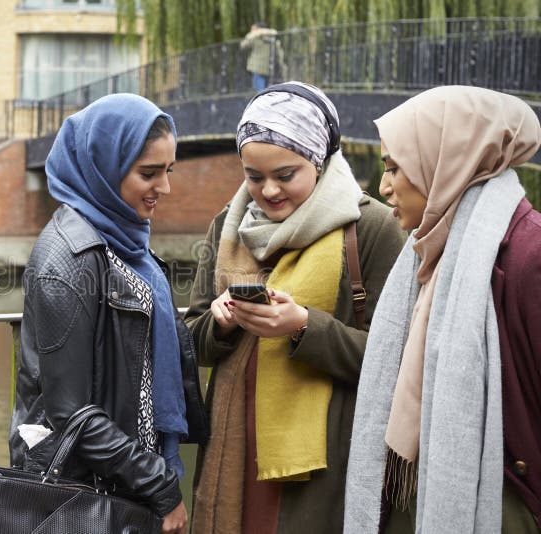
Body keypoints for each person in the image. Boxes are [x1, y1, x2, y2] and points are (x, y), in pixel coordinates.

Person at [185, 81, 405, 533]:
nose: (268, 191)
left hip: (323, 460)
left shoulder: (372, 228)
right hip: (235, 447)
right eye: (253, 176)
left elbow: (396, 359)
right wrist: (221, 322)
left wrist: (303, 327)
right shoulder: (227, 226)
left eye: (286, 175)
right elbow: (190, 343)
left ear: (320, 161)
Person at [344, 86, 541, 533]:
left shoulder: (529, 254)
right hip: (418, 498)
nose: (384, 186)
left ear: (446, 163)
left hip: (504, 503)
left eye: (396, 167)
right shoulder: (430, 249)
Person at [9, 93, 208, 534]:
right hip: (87, 489)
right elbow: (71, 413)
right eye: (148, 173)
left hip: (123, 476)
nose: (165, 188)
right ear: (104, 165)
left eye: (168, 171)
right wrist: (161, 486)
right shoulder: (69, 259)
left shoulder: (121, 237)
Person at [240, 22, 285, 91]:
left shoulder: (254, 38)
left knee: (260, 91)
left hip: (257, 68)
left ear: (258, 29)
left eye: (253, 29)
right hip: (269, 68)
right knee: (267, 90)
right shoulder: (272, 38)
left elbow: (243, 46)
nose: (251, 31)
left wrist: (250, 35)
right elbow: (279, 54)